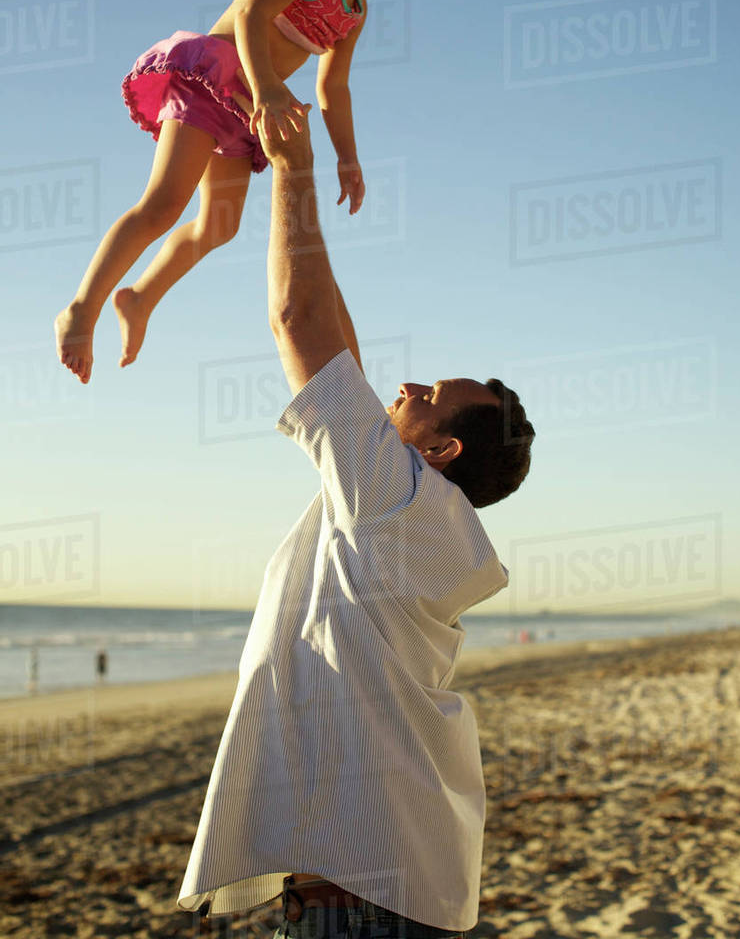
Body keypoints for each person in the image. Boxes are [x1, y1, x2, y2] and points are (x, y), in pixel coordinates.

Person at [177, 106, 535, 937]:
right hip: (387, 888)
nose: (405, 387)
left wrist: (294, 169)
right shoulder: (414, 513)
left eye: (429, 396)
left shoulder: (397, 503)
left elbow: (299, 324)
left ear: (441, 449)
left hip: (361, 905)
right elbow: (338, 345)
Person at [55, 0, 435, 384]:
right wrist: (270, 88)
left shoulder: (355, 8)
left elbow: (333, 87)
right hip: (214, 81)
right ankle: (81, 306)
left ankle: (140, 297)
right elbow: (254, 15)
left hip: (248, 107)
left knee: (220, 226)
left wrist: (348, 157)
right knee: (164, 203)